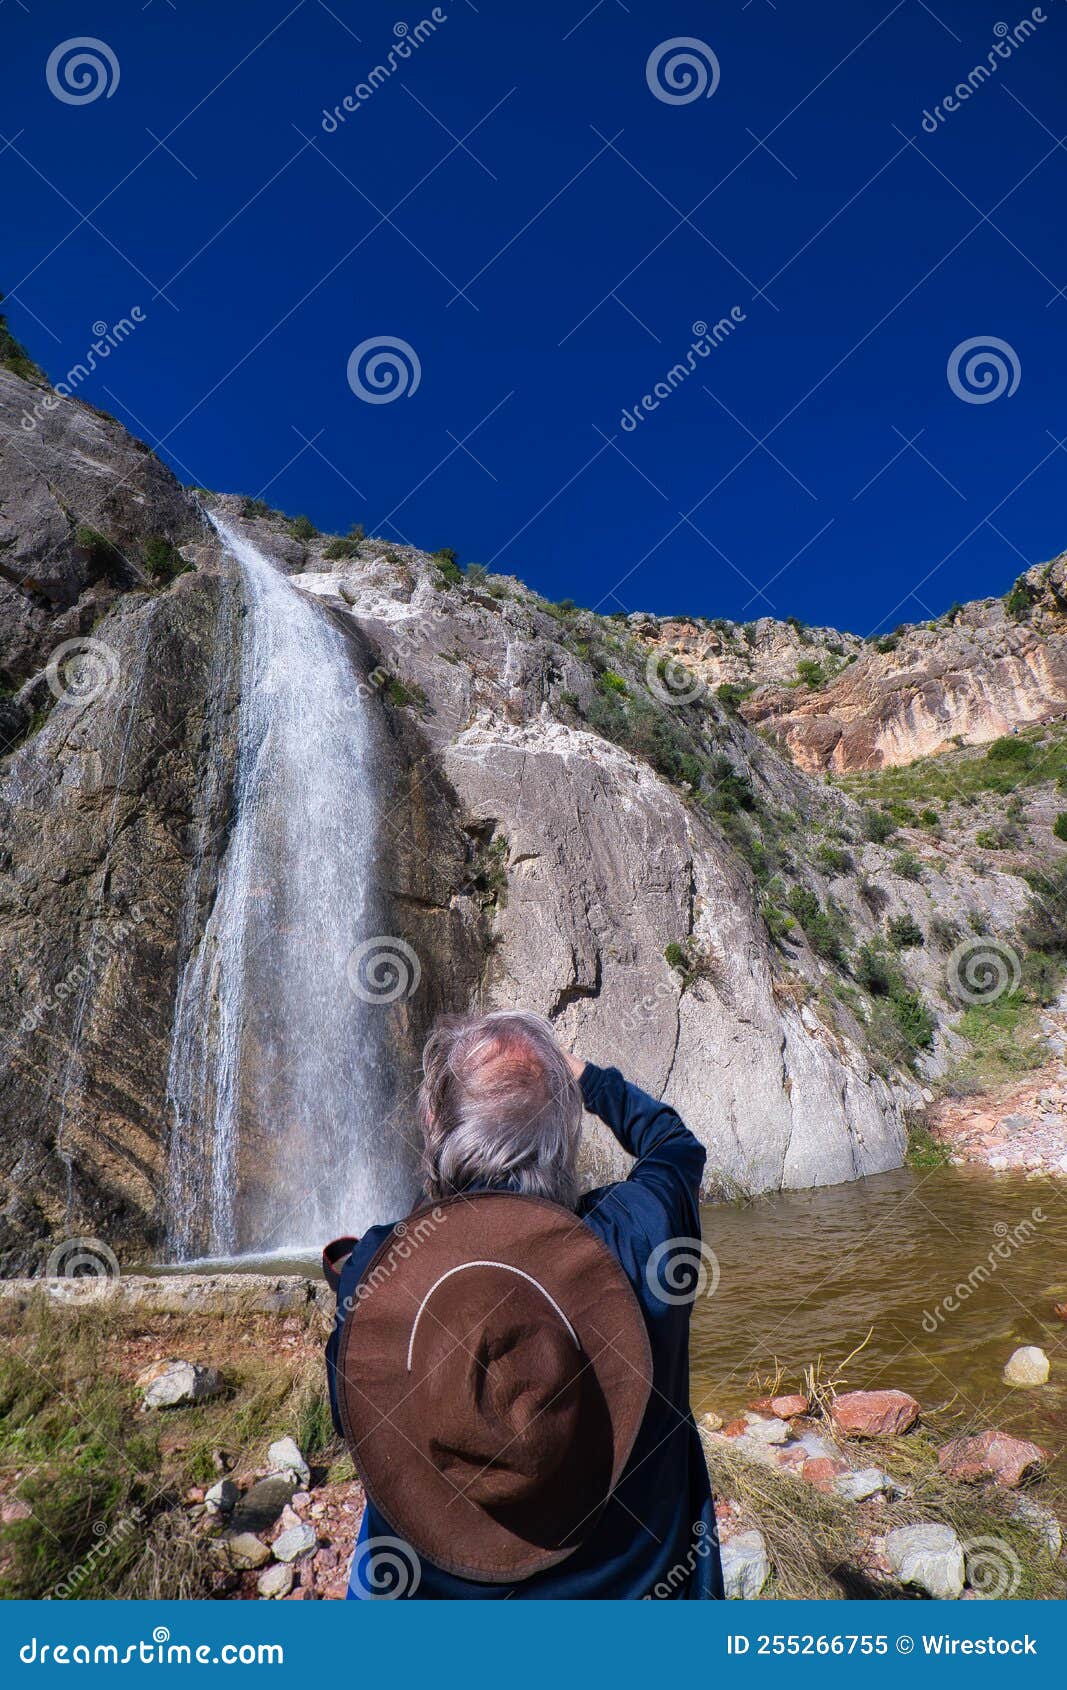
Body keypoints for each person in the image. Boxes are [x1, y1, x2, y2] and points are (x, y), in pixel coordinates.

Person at [324, 1009, 722, 1599]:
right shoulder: (641, 1235)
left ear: (435, 1126)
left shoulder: (379, 1270)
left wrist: (446, 1178)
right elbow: (675, 1145)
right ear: (565, 1135)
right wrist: (588, 1080)